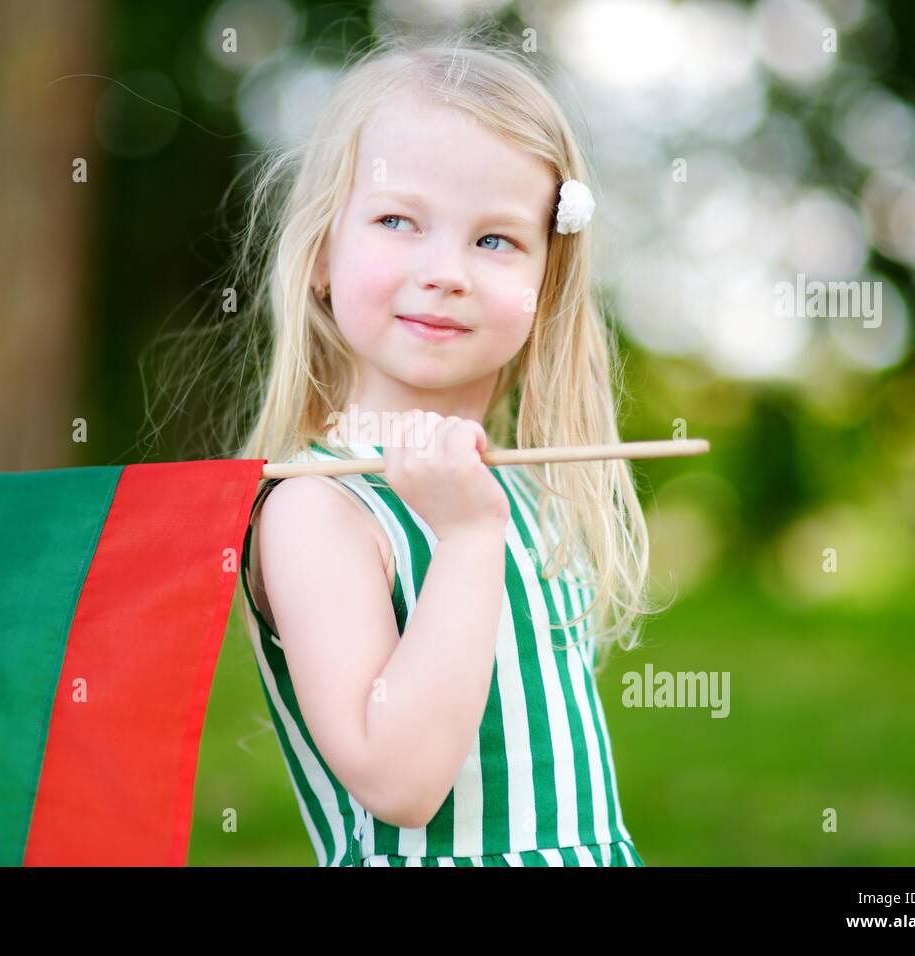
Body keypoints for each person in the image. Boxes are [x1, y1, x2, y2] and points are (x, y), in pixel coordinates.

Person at [233, 28, 655, 867]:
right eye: (398, 220)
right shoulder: (319, 510)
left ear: (547, 284)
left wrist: (476, 520)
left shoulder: (526, 492)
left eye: (494, 240)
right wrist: (465, 539)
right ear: (322, 252)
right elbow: (398, 782)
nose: (447, 271)